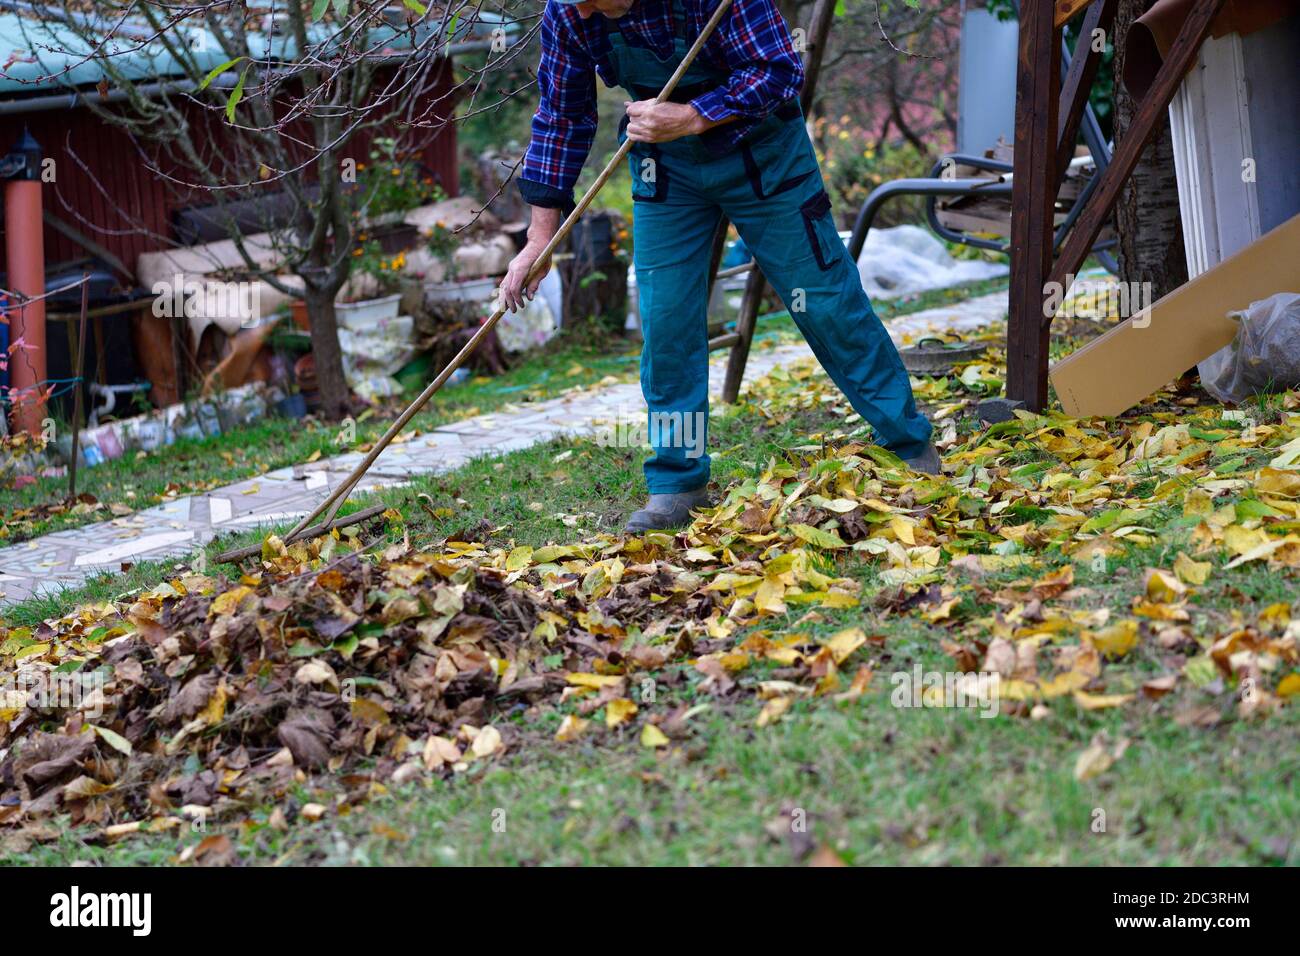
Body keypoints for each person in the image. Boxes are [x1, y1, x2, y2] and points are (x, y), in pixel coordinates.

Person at [499, 0, 939, 532]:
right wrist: (539, 237)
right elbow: (562, 116)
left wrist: (691, 116)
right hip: (668, 169)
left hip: (763, 155)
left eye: (592, 3)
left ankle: (907, 442)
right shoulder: (568, 11)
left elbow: (779, 70)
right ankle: (678, 482)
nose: (582, 14)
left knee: (822, 301)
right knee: (666, 322)